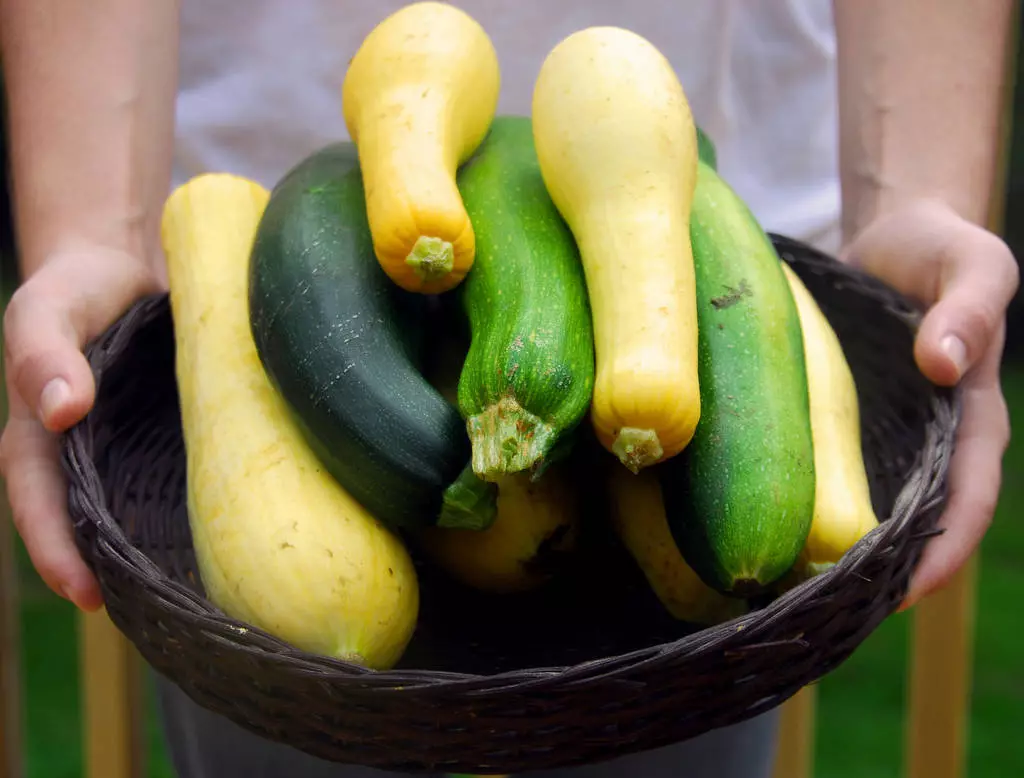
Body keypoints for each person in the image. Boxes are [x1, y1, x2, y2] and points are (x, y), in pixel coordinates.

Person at [0, 1, 1019, 776]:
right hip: (258, 245)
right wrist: (92, 229)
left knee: (706, 623)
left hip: (704, 249)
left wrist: (914, 193)